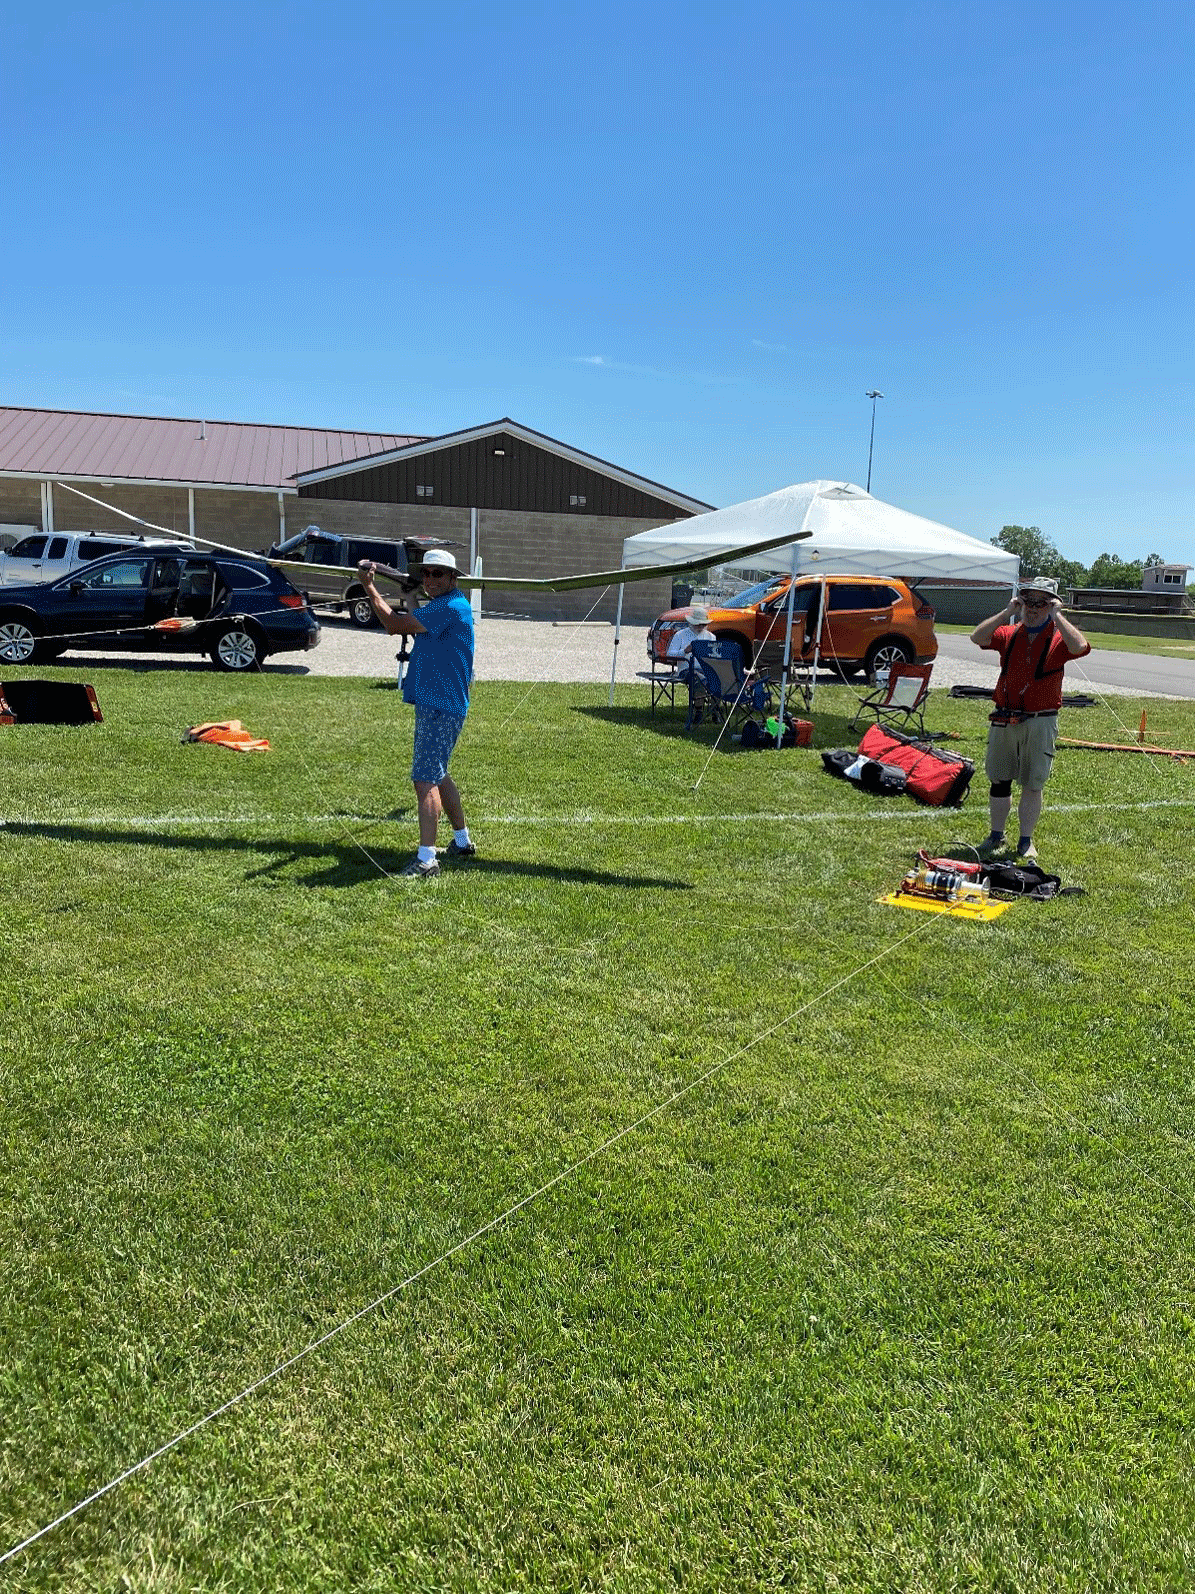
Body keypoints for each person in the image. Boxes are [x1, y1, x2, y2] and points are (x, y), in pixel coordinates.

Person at [358, 547, 476, 879]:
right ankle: (462, 842)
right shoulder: (444, 605)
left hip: (440, 705)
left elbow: (395, 626)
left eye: (438, 574)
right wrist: (410, 598)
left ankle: (426, 861)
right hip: (439, 703)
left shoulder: (450, 607)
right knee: (437, 773)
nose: (430, 579)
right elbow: (416, 625)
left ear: (453, 577)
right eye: (425, 573)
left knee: (425, 779)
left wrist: (369, 587)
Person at [969, 575, 1090, 861]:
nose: (1033, 607)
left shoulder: (1058, 638)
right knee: (999, 780)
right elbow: (978, 637)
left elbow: (1079, 646)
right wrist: (1007, 612)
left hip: (1040, 720)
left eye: (1041, 602)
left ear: (1051, 605)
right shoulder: (1010, 633)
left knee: (1033, 783)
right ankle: (996, 835)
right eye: (1028, 601)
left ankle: (1026, 840)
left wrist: (1058, 615)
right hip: (1004, 719)